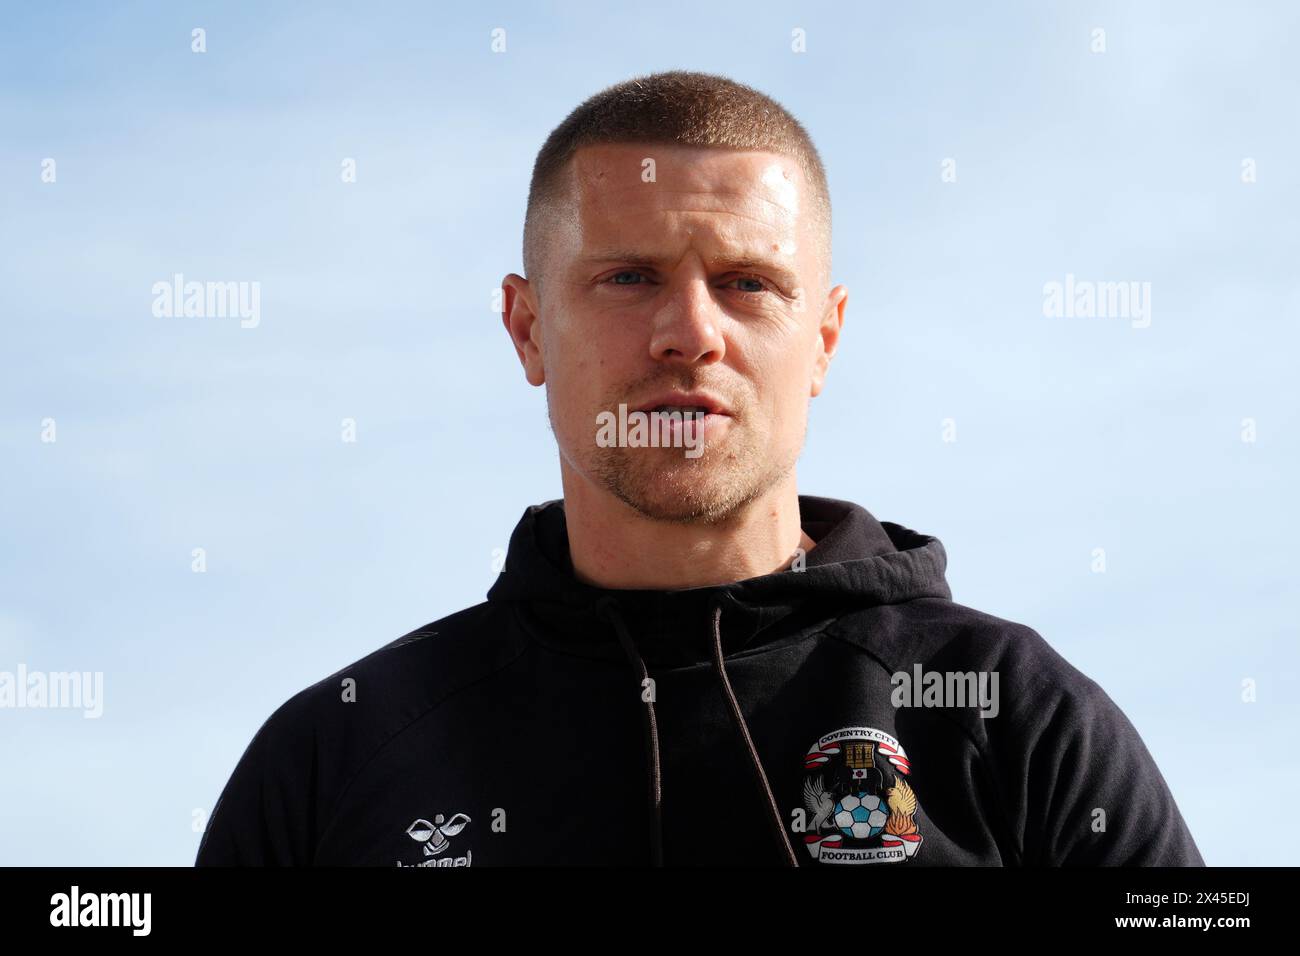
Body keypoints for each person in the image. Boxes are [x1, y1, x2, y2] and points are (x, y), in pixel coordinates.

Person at [195, 70, 1203, 867]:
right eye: (628, 276)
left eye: (747, 282)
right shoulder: (341, 753)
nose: (688, 332)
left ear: (822, 339)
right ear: (525, 325)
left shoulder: (1009, 714)